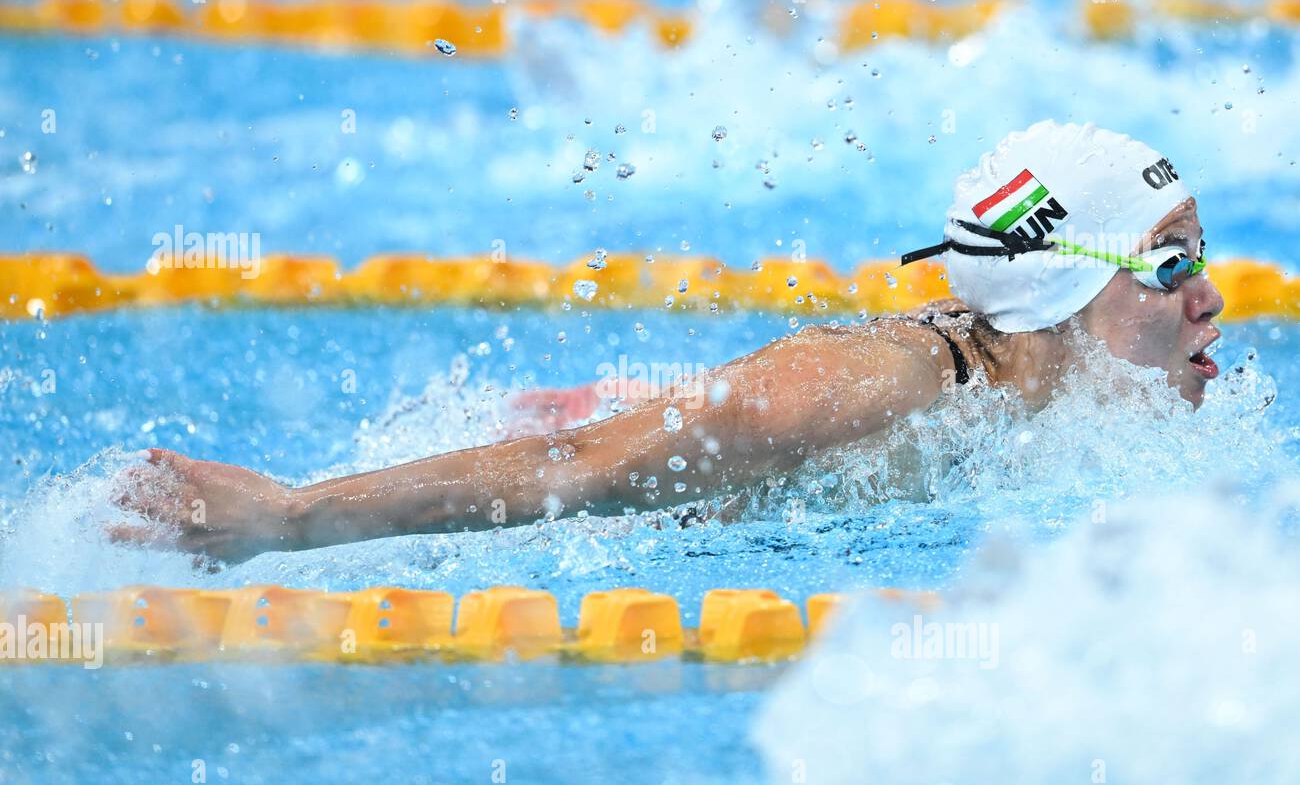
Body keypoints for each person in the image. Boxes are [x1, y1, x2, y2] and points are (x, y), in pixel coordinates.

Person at [111, 120, 1224, 563]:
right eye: (1168, 263)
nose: (1210, 298)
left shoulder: (1053, 390)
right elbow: (583, 471)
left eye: (1201, 255)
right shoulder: (875, 386)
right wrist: (292, 516)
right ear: (1053, 286)